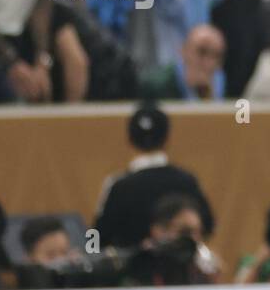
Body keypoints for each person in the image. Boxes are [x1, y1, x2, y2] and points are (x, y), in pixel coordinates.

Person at [93, 103, 216, 248]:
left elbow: (99, 237)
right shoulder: (187, 181)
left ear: (130, 139)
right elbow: (208, 225)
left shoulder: (118, 185)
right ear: (166, 138)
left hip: (133, 262)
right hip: (180, 261)